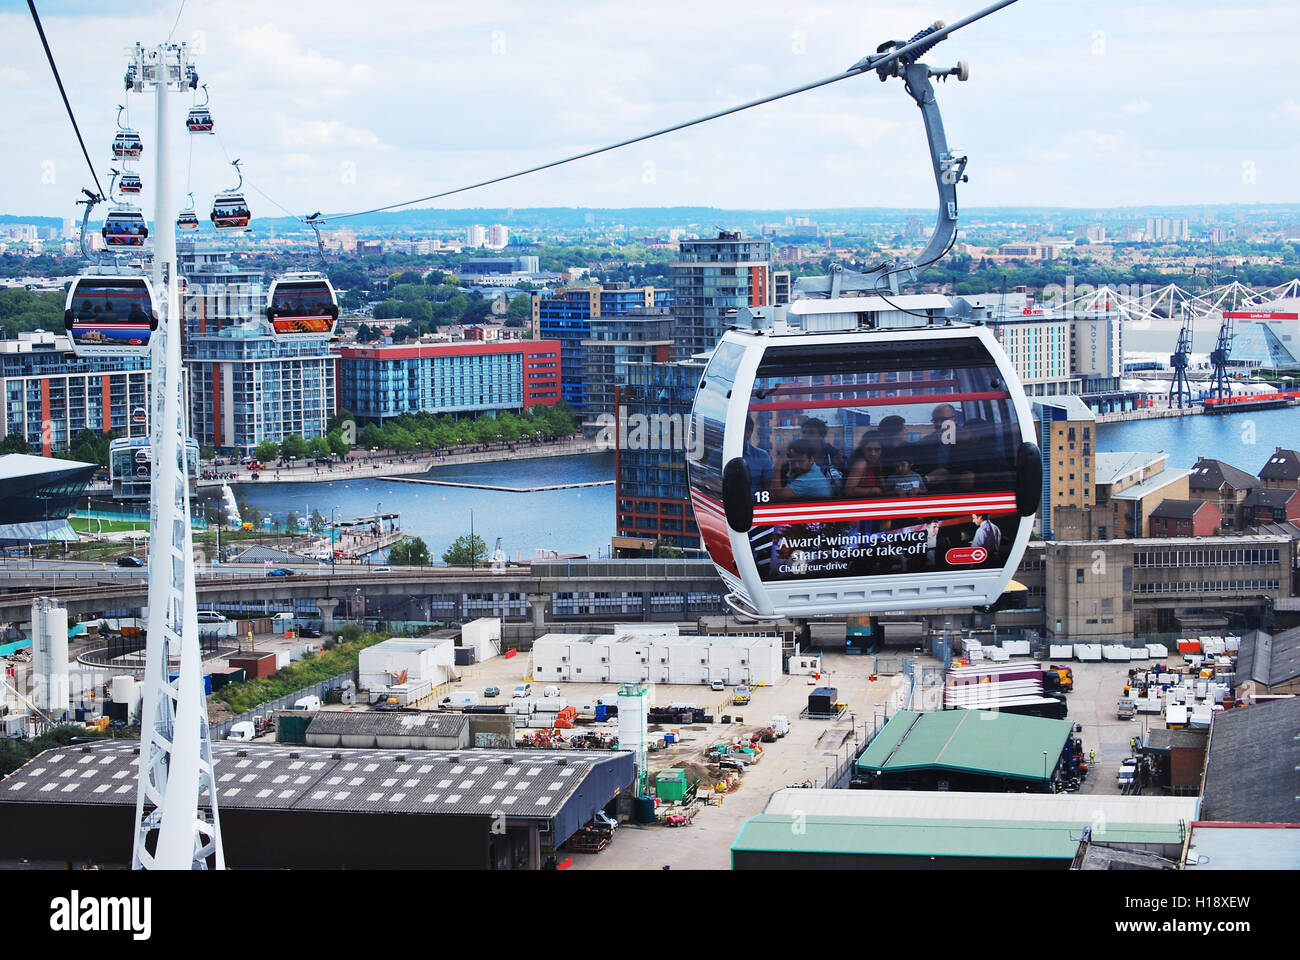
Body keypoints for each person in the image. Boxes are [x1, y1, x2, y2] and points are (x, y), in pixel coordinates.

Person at [844, 431, 886, 499]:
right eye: (869, 449)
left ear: (882, 450)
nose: (873, 453)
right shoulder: (861, 464)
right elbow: (848, 491)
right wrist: (872, 490)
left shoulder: (878, 463)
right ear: (863, 449)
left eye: (877, 449)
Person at [743, 415, 773, 496]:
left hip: (756, 504)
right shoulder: (718, 454)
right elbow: (712, 481)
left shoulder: (762, 456)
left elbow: (768, 488)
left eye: (745, 431)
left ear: (750, 433)